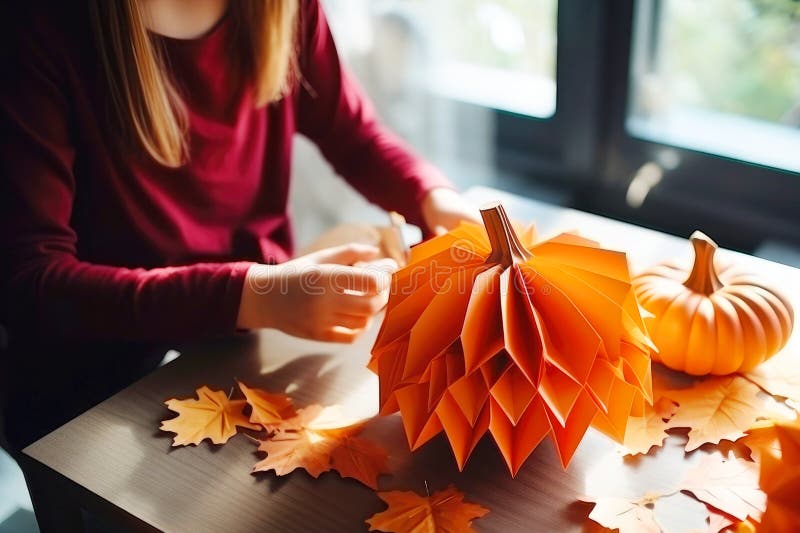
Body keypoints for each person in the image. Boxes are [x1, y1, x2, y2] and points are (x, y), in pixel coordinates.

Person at [0, 0, 478, 452]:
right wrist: (255, 295)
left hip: (240, 347)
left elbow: (354, 135)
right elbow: (31, 282)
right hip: (88, 393)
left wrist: (434, 197)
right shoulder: (38, 26)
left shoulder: (285, 9)